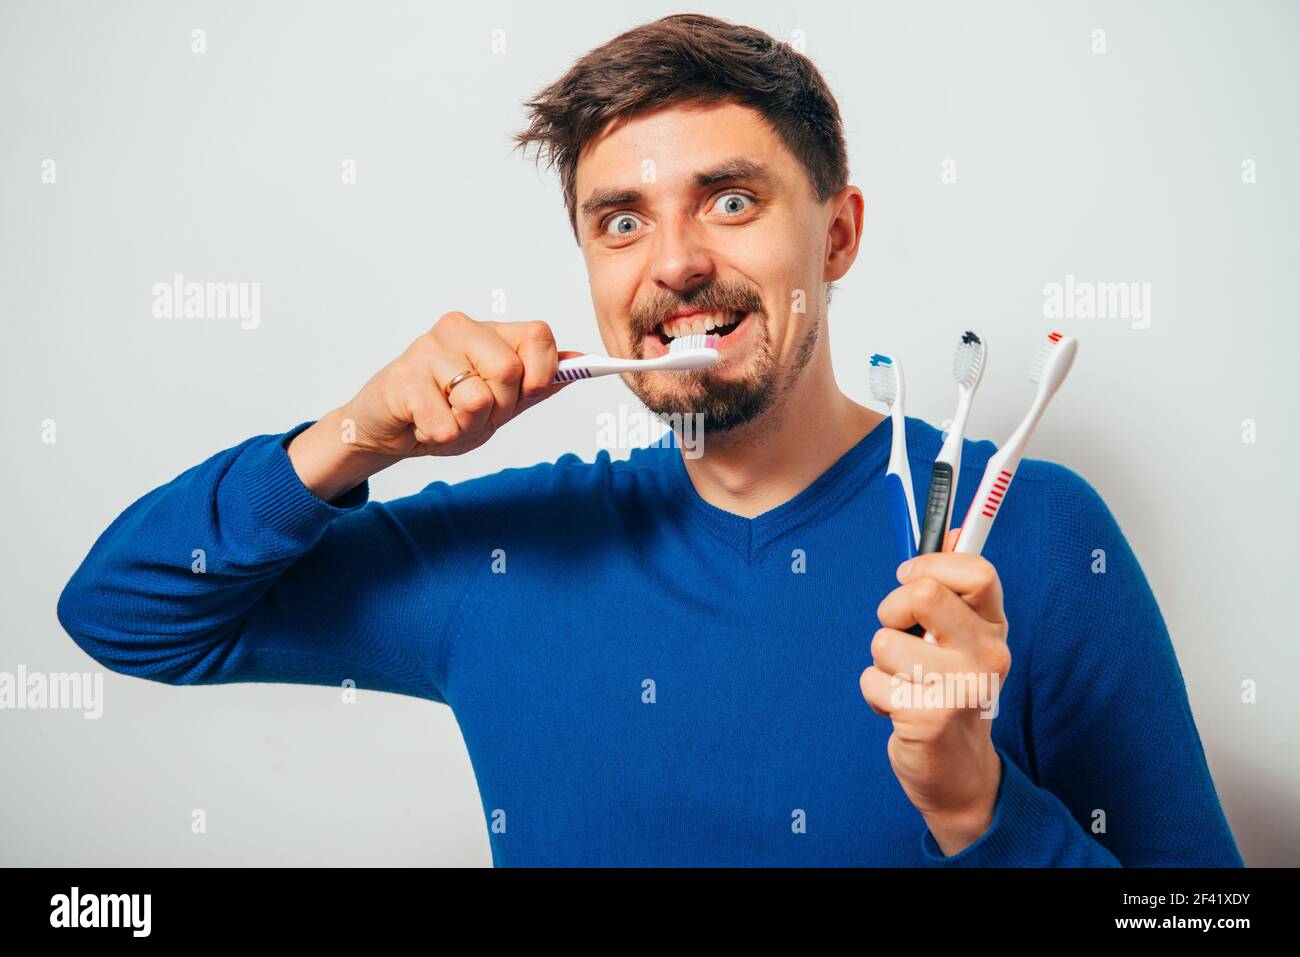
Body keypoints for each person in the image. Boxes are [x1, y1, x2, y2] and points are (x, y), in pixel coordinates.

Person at [56, 13, 1242, 867]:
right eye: (620, 221)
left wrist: (979, 814)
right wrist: (356, 436)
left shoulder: (1026, 535)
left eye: (730, 200)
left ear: (836, 236)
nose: (673, 262)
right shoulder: (504, 559)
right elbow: (126, 615)